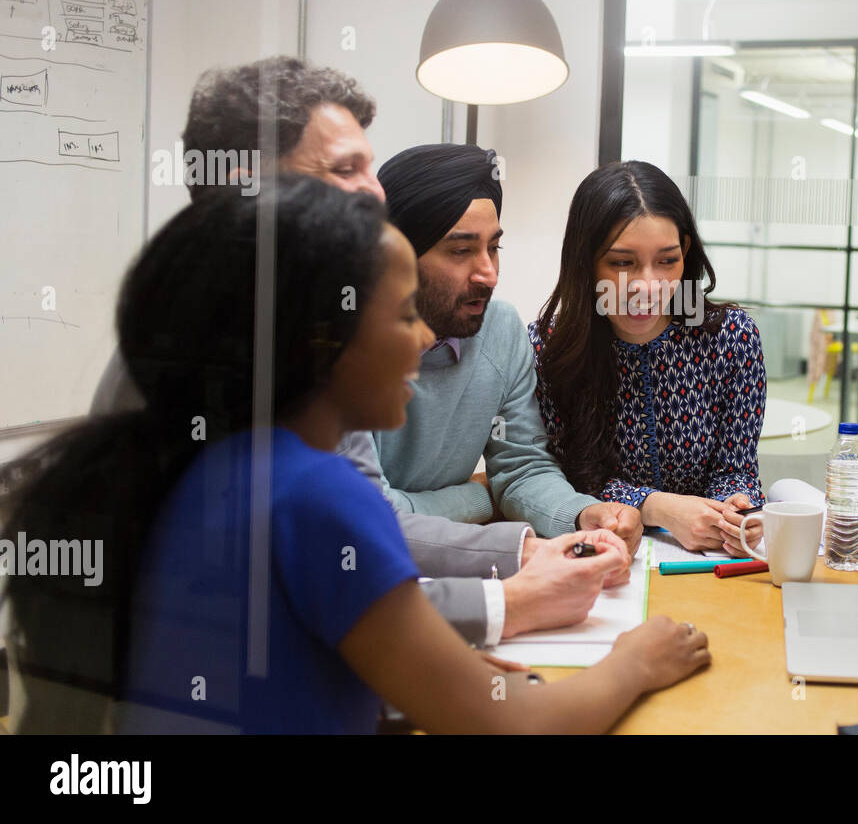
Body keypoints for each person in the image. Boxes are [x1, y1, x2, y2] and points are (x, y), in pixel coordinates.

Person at [0, 178, 709, 734]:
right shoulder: (318, 495)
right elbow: (511, 722)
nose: (423, 341)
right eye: (404, 315)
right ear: (320, 341)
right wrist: (635, 663)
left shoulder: (210, 470)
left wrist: (412, 683)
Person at [85, 57, 622, 651]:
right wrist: (511, 597)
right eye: (346, 168)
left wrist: (543, 538)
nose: (375, 192)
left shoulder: (296, 327)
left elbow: (346, 554)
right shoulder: (219, 349)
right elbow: (350, 563)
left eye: (370, 167)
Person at [371, 145, 643, 556]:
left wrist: (582, 514)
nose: (490, 273)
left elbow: (520, 469)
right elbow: (370, 516)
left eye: (494, 247)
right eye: (461, 250)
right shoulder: (347, 346)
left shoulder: (500, 329)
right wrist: (480, 498)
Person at [528, 161, 767, 557]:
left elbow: (736, 467)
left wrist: (732, 512)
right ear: (585, 261)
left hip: (706, 561)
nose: (647, 286)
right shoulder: (548, 348)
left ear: (685, 253)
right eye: (622, 263)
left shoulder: (731, 337)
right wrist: (659, 507)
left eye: (667, 261)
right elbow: (556, 479)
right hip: (604, 555)